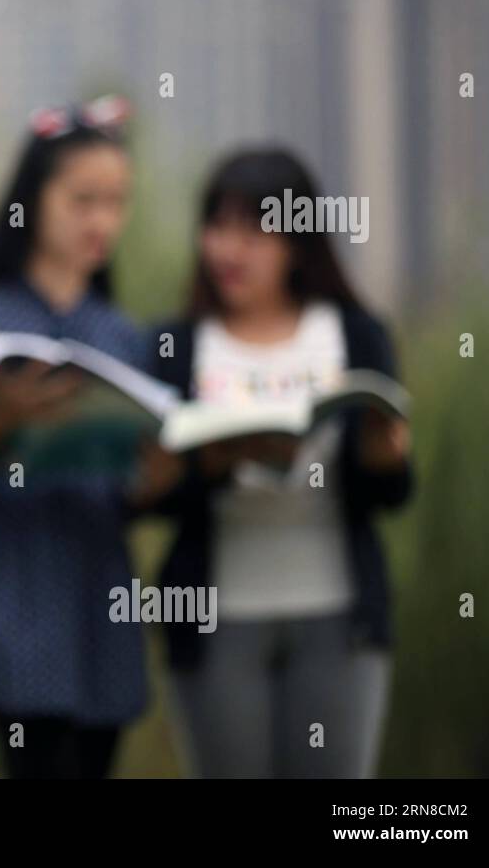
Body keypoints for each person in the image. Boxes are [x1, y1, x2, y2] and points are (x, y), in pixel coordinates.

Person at [141, 148, 413, 778]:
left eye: (253, 229)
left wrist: (382, 458)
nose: (228, 248)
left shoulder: (356, 334)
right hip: (216, 621)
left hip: (340, 620)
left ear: (298, 239)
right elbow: (152, 498)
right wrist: (199, 468)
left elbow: (393, 493)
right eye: (217, 226)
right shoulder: (177, 345)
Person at [0, 97, 147, 778]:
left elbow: (133, 494)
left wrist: (163, 472)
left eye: (116, 201)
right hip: (16, 597)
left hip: (103, 598)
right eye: (83, 199)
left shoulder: (123, 334)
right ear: (31, 198)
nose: (101, 220)